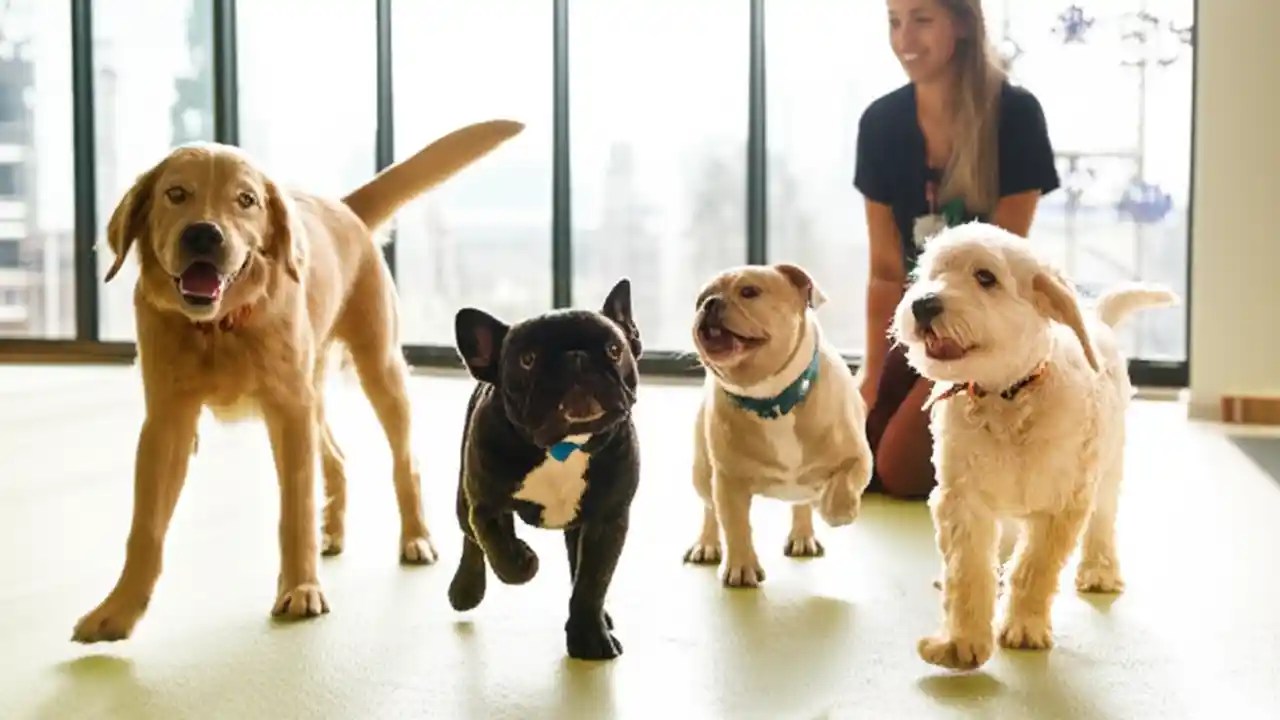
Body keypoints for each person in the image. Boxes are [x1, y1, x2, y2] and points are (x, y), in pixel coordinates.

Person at [853, 0, 1061, 499]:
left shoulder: (1016, 116)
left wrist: (956, 362)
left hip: (981, 328)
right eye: (894, 22)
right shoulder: (881, 123)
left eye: (922, 20)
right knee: (856, 463)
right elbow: (885, 271)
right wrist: (871, 375)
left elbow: (1006, 264)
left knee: (899, 470)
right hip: (915, 318)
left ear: (964, 24)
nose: (905, 39)